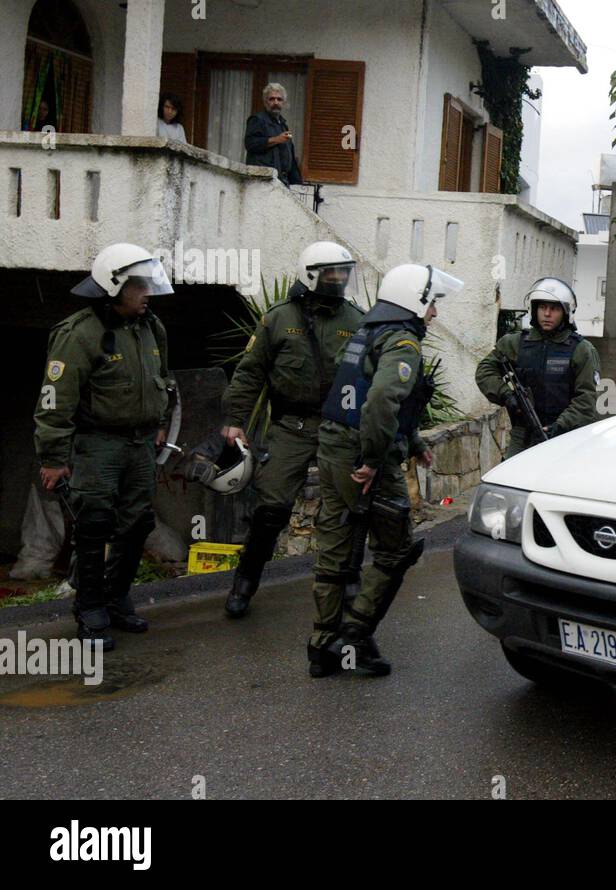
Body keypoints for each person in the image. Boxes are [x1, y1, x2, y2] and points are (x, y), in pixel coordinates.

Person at [308, 264, 462, 678]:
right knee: (396, 549)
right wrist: (373, 461)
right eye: (432, 304)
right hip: (363, 456)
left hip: (332, 445)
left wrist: (413, 444)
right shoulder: (402, 341)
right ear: (414, 300)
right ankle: (354, 635)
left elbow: (354, 392)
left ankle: (322, 646)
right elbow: (379, 403)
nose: (434, 313)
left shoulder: (364, 332)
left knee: (336, 551)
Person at [34, 244, 176, 650]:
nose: (148, 292)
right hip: (99, 445)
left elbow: (162, 380)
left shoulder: (152, 328)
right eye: (139, 285)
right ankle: (90, 608)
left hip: (140, 446)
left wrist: (160, 424)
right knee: (94, 525)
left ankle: (116, 598)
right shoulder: (79, 333)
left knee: (137, 524)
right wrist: (53, 459)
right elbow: (54, 401)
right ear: (115, 287)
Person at [220, 242, 364, 618]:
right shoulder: (279, 319)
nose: (340, 279)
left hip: (338, 427)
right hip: (292, 426)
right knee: (271, 507)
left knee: (349, 506)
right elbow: (251, 371)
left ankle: (349, 581)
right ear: (312, 274)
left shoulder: (357, 321)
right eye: (332, 272)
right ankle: (244, 583)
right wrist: (236, 420)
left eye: (344, 272)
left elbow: (371, 378)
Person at [475, 278, 601, 457]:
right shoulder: (516, 343)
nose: (547, 314)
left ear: (566, 312)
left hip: (566, 436)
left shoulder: (582, 350)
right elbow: (485, 371)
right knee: (508, 480)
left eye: (554, 309)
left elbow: (586, 400)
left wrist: (559, 426)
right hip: (523, 435)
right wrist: (507, 395)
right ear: (534, 310)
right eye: (542, 307)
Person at [244, 83, 301, 186]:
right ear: (266, 102)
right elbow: (250, 144)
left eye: (279, 99)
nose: (276, 102)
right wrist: (276, 139)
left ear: (283, 103)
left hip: (282, 181)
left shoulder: (283, 125)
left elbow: (290, 158)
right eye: (272, 99)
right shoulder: (257, 120)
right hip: (264, 181)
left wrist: (298, 184)